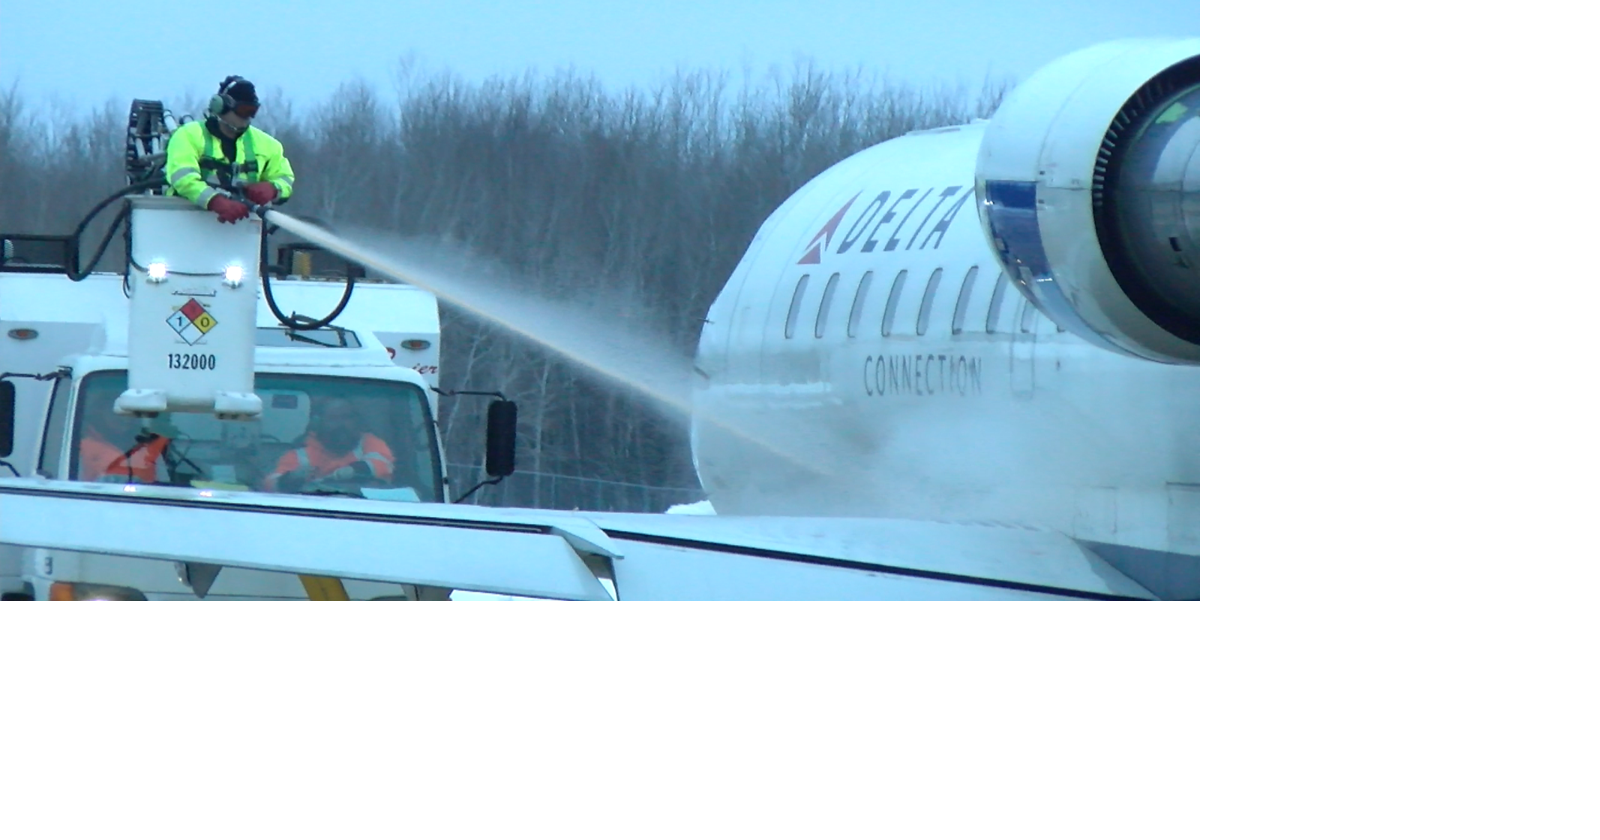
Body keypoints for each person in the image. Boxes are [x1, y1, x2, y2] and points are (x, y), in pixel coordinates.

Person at [165, 75, 295, 224]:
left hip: (243, 233)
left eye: (252, 111)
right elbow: (182, 178)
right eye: (243, 110)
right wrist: (214, 201)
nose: (247, 118)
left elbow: (285, 178)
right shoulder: (188, 135)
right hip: (181, 222)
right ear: (220, 107)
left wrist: (274, 188)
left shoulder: (269, 145)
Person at [263, 398, 395, 493]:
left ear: (356, 421)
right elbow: (269, 484)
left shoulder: (369, 442)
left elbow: (384, 464)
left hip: (368, 509)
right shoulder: (300, 455)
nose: (341, 424)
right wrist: (290, 478)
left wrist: (354, 470)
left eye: (346, 417)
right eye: (333, 418)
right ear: (318, 423)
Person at [77, 388, 170, 483]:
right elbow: (72, 485)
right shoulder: (82, 447)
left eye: (131, 414)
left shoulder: (152, 446)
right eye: (119, 414)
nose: (126, 419)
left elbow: (165, 487)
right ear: (101, 413)